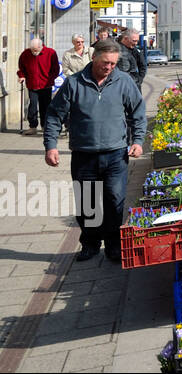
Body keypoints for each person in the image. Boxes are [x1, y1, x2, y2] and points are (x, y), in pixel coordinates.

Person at [44, 39, 146, 264]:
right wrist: (51, 145)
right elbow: (54, 115)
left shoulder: (123, 81)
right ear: (93, 57)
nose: (109, 67)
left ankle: (113, 246)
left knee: (114, 201)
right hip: (84, 154)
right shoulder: (74, 83)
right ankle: (90, 244)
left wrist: (138, 141)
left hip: (116, 154)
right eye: (105, 62)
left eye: (113, 63)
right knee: (88, 204)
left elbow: (138, 112)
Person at [18, 37, 60, 136]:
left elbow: (55, 69)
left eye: (36, 50)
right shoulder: (25, 54)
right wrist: (22, 76)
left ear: (41, 47)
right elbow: (21, 68)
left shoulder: (50, 53)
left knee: (45, 106)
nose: (34, 52)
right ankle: (32, 127)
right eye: (32, 50)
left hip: (46, 85)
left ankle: (45, 126)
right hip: (32, 85)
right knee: (32, 106)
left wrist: (50, 80)